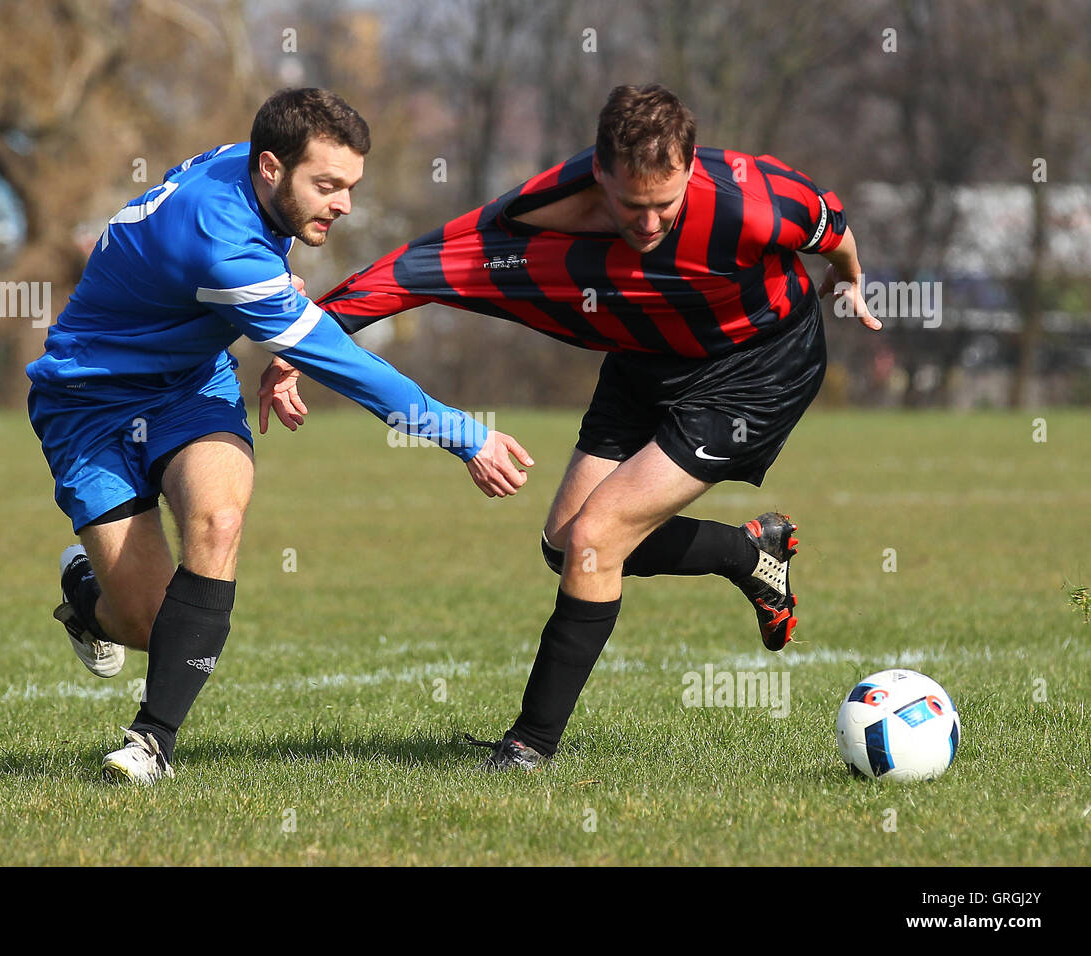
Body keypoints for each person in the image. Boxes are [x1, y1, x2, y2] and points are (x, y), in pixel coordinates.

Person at [260, 84, 880, 770]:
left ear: (692, 168)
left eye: (664, 206)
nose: (646, 224)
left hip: (756, 373)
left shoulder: (752, 199)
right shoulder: (544, 210)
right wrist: (302, 344)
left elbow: (834, 229)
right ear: (600, 174)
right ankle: (749, 554)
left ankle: (530, 746)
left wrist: (849, 279)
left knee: (598, 536)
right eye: (630, 205)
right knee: (567, 546)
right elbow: (420, 267)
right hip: (644, 357)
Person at [26, 88, 531, 785]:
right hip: (87, 405)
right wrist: (464, 435)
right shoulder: (220, 243)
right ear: (270, 166)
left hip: (189, 388)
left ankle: (152, 744)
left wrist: (277, 319)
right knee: (148, 626)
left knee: (219, 517)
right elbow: (346, 364)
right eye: (327, 186)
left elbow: (239, 276)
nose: (344, 204)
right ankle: (87, 597)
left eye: (351, 186)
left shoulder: (249, 179)